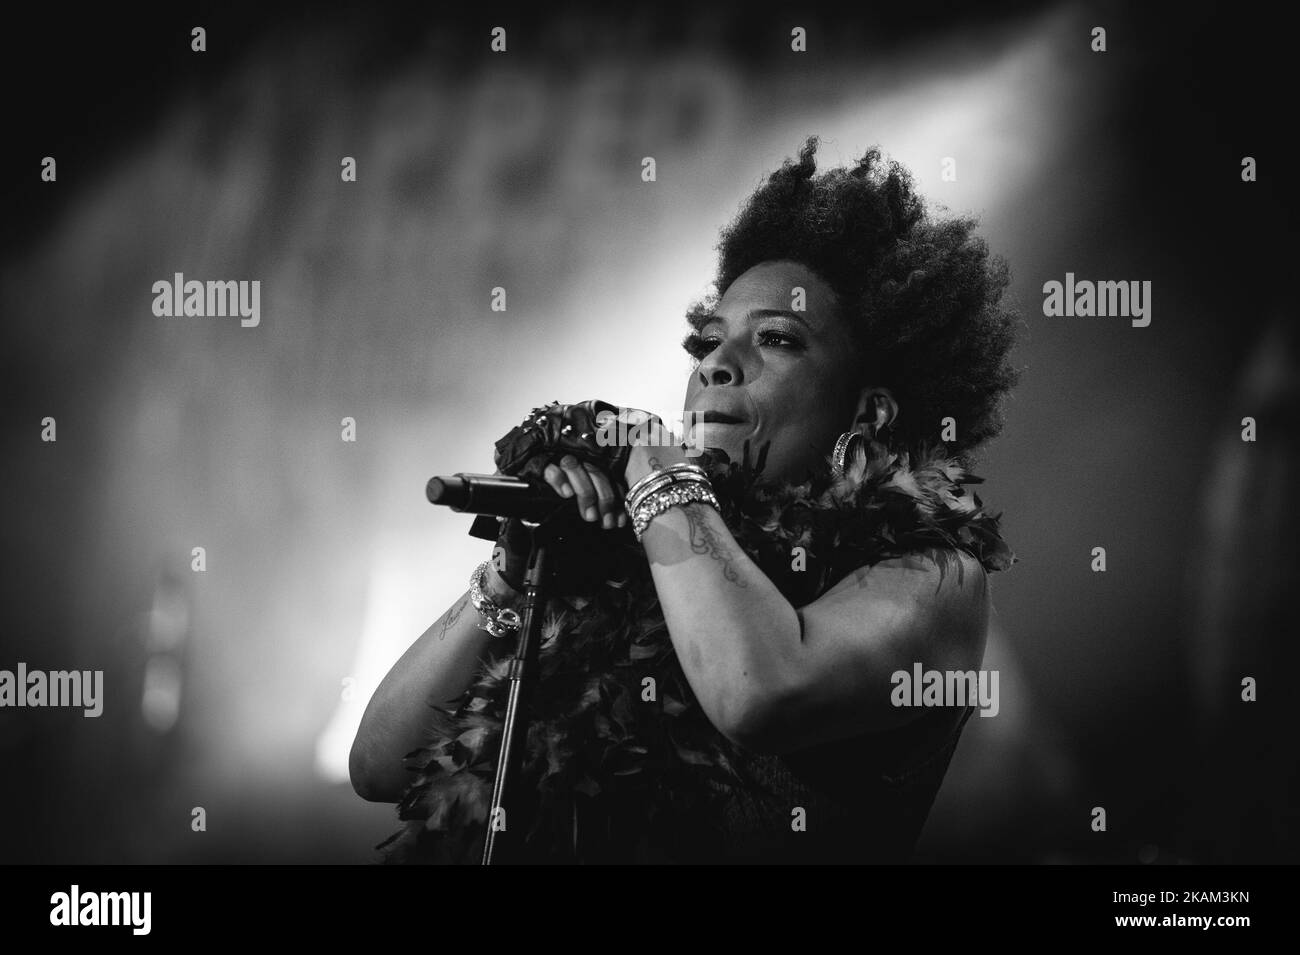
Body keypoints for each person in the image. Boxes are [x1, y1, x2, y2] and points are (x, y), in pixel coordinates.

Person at [350, 135, 1020, 863]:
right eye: (706, 343)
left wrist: (657, 470)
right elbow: (380, 765)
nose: (718, 366)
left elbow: (754, 691)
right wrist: (515, 573)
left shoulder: (938, 577)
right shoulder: (650, 551)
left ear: (872, 413)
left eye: (778, 339)